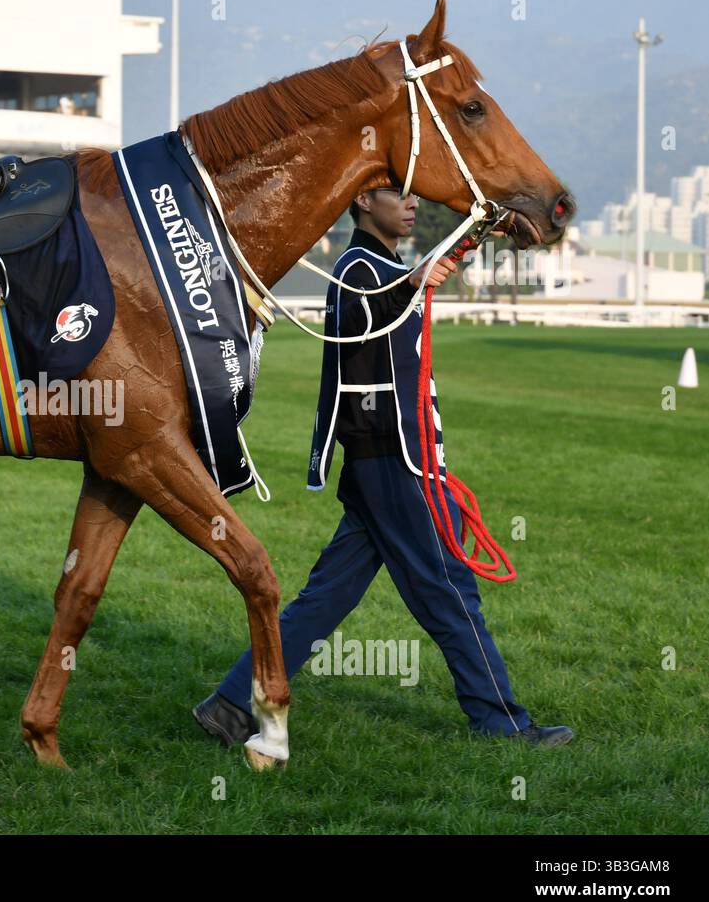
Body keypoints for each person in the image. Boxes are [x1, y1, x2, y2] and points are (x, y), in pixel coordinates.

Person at [194, 188, 573, 748]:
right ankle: (501, 723)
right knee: (448, 589)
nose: (412, 204)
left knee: (325, 599)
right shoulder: (357, 270)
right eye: (399, 194)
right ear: (365, 200)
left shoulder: (385, 268)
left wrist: (483, 230)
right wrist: (423, 274)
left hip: (388, 462)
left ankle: (230, 705)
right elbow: (373, 306)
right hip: (396, 462)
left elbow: (411, 282)